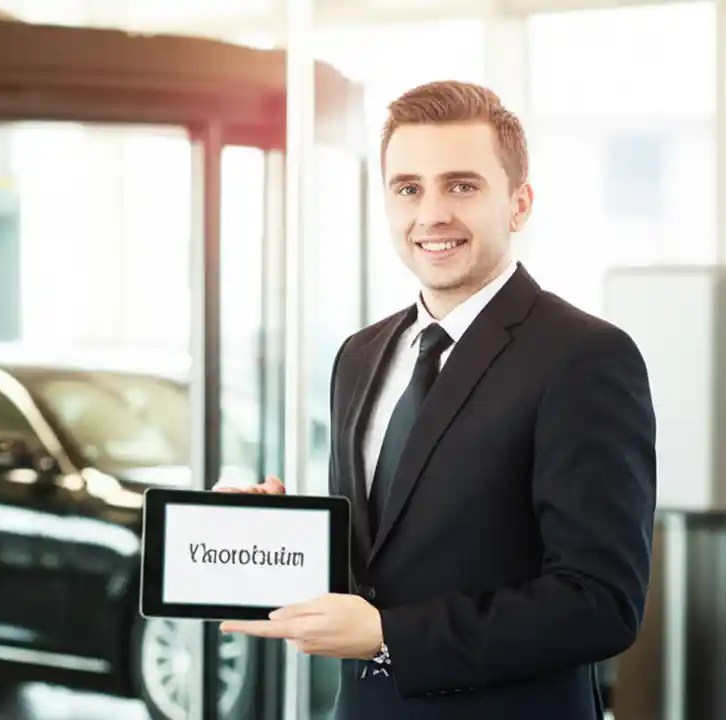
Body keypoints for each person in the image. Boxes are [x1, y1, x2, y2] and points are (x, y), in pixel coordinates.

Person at [216, 80, 656, 720]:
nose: (432, 214)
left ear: (519, 203)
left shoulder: (583, 357)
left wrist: (391, 637)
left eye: (462, 185)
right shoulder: (361, 356)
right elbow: (382, 565)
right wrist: (273, 539)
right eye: (408, 188)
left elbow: (600, 604)